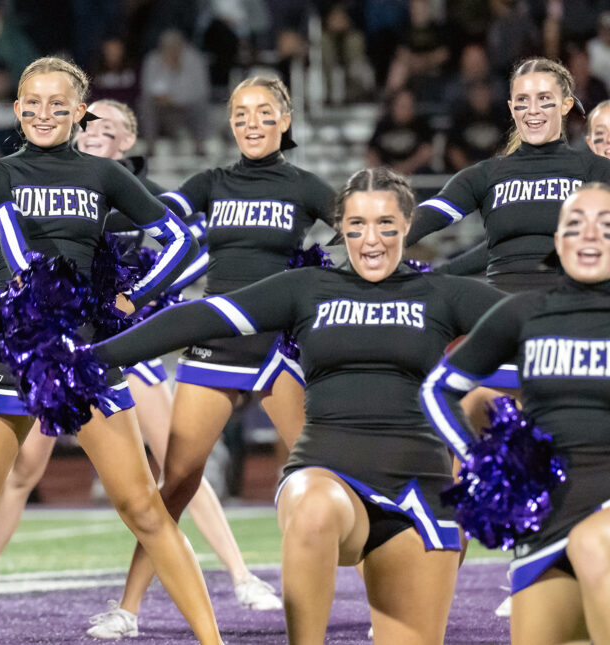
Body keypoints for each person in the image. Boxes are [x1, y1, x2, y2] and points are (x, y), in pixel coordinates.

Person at [83, 167, 506, 644]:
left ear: (408, 224)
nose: (372, 239)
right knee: (314, 509)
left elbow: (539, 328)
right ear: (341, 228)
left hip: (421, 498)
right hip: (328, 477)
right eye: (357, 226)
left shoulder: (445, 295)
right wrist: (89, 358)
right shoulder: (305, 288)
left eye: (386, 224)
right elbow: (198, 318)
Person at [0, 56, 223, 645]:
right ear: (18, 111)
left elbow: (183, 239)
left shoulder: (106, 177)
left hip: (86, 360)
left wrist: (134, 297)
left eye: (58, 104)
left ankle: (213, 640)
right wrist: (38, 301)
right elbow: (14, 248)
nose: (44, 113)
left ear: (79, 112)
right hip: (12, 358)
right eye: (33, 104)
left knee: (145, 509)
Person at [0, 98, 278, 620]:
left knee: (174, 467)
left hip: (120, 343)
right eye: (89, 119)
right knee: (24, 467)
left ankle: (236, 574)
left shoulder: (126, 191)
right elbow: (5, 257)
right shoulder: (42, 186)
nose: (94, 129)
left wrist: (139, 296)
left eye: (108, 125)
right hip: (48, 343)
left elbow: (196, 246)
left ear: (126, 143)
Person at [85, 76, 335, 639]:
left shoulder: (306, 186)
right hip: (216, 345)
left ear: (285, 119)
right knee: (174, 484)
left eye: (264, 112)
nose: (252, 122)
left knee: (318, 481)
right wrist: (90, 201)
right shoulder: (212, 183)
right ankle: (128, 609)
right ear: (230, 122)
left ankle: (362, 605)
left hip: (278, 346)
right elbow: (147, 217)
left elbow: (364, 228)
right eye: (241, 113)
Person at [419, 182, 610, 645]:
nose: (590, 236)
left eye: (607, 226)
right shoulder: (523, 313)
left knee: (592, 544)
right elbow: (439, 389)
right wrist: (481, 461)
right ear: (558, 242)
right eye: (575, 225)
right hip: (547, 515)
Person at [407, 56, 610, 292]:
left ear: (565, 105)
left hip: (570, 308)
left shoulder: (595, 169)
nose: (533, 110)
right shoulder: (487, 173)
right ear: (512, 109)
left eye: (544, 99)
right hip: (500, 309)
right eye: (523, 100)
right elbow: (429, 216)